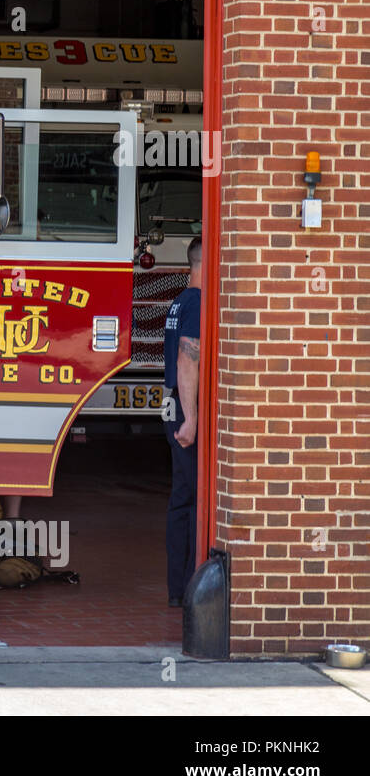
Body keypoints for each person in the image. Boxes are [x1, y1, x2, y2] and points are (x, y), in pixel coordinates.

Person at [163, 236, 202, 607]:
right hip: (184, 407)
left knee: (182, 496)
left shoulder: (179, 301)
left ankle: (178, 588)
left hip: (171, 404)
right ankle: (191, 587)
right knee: (193, 498)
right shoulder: (198, 303)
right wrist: (191, 418)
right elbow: (187, 361)